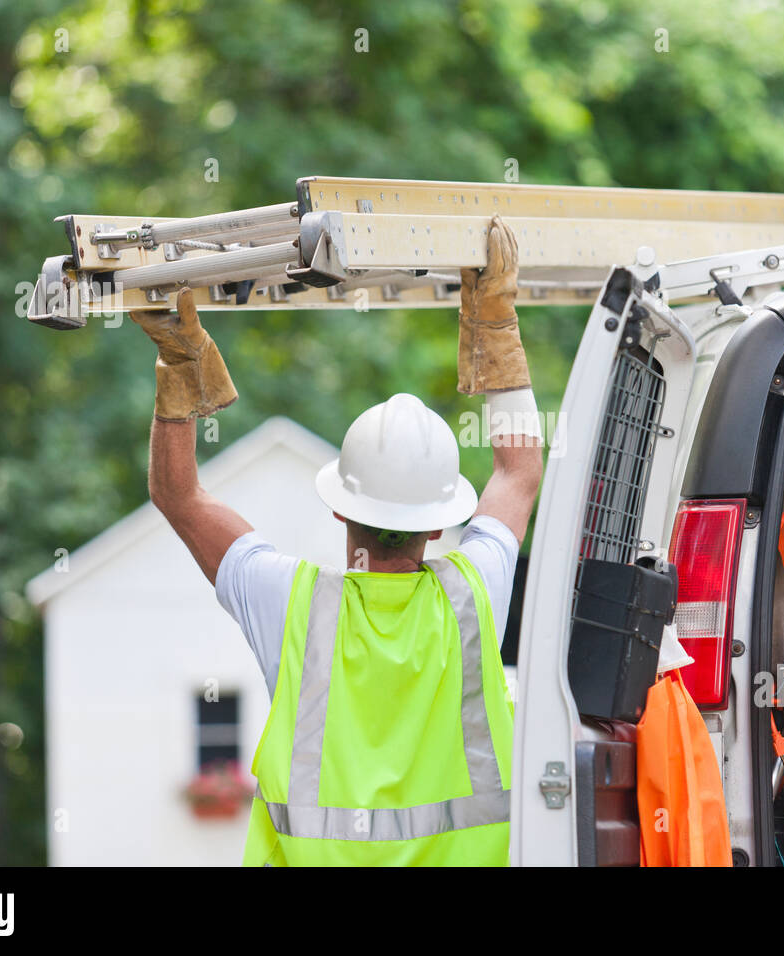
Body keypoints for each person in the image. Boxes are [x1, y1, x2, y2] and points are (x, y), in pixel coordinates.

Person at [131, 216, 544, 865]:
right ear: (438, 524)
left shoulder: (290, 604)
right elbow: (518, 473)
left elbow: (178, 496)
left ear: (339, 512)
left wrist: (180, 365)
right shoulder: (476, 595)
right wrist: (495, 320)